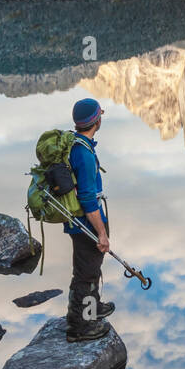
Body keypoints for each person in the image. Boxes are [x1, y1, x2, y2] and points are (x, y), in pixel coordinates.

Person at [65, 97, 115, 342]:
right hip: (85, 224)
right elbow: (86, 198)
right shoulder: (83, 154)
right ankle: (81, 327)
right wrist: (102, 233)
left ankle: (91, 309)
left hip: (80, 223)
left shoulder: (79, 145)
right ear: (96, 120)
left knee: (89, 270)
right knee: (86, 275)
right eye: (100, 115)